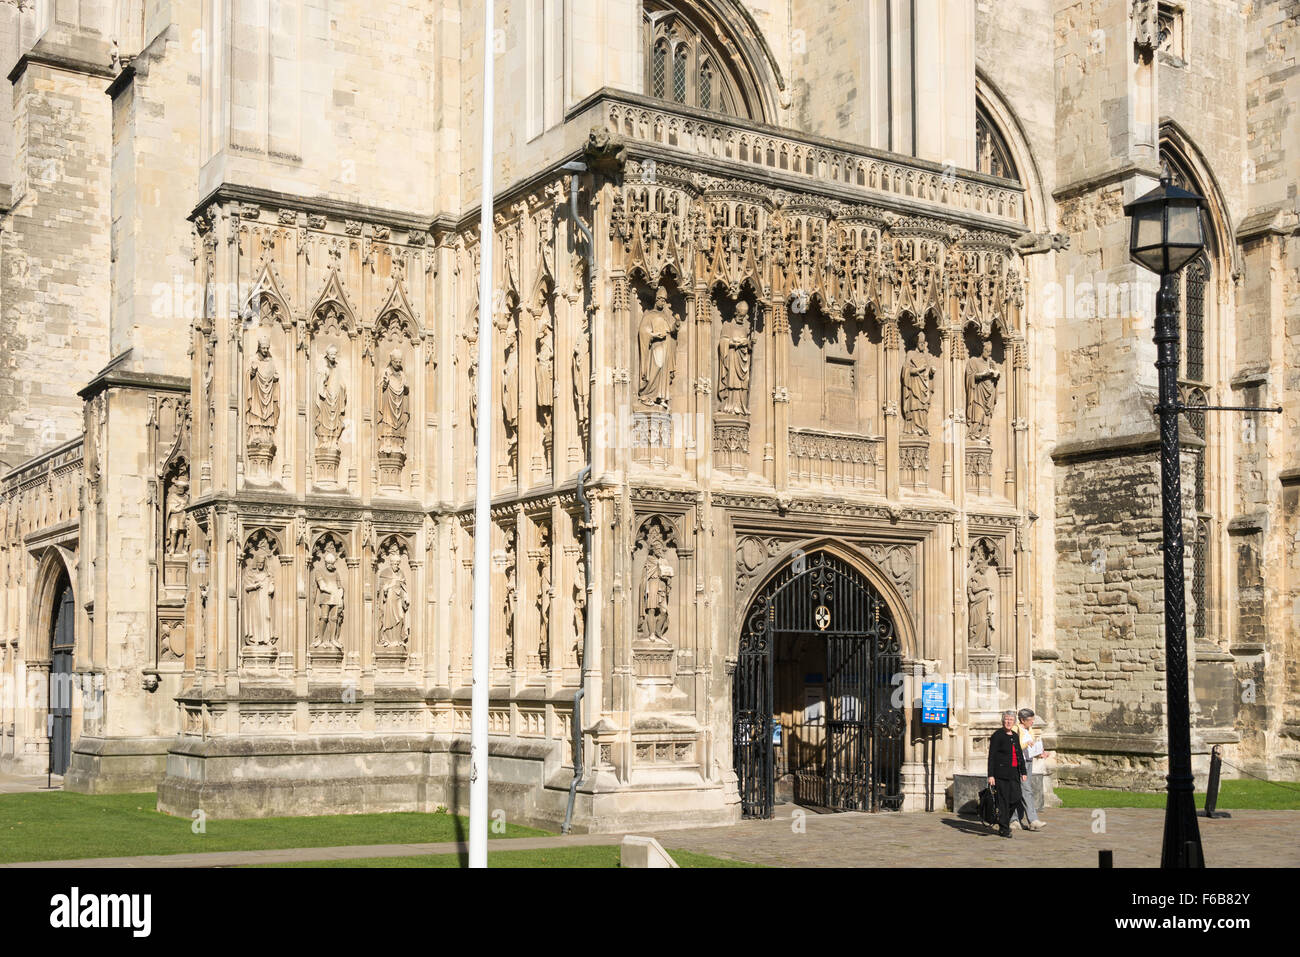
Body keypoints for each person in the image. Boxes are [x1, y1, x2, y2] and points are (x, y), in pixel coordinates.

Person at [987, 710, 1027, 838]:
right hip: (1001, 774)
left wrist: (1023, 771)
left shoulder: (1015, 735)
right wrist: (991, 775)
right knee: (1003, 801)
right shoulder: (997, 735)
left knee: (1016, 798)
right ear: (1003, 721)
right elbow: (991, 756)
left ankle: (1002, 820)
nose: (1008, 722)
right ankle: (1004, 828)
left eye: (1011, 720)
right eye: (1006, 719)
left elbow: (1019, 755)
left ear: (1014, 722)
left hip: (1014, 774)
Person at [1015, 708, 1051, 831]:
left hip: (1028, 762)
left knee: (1023, 790)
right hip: (1019, 764)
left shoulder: (1029, 730)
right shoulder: (1016, 730)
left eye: (1033, 719)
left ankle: (1015, 819)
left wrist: (1039, 754)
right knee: (1026, 790)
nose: (1032, 722)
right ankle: (1032, 820)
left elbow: (1030, 749)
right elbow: (1015, 747)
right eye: (1030, 720)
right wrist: (1027, 744)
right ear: (1022, 720)